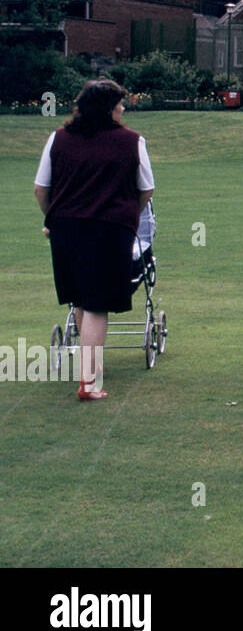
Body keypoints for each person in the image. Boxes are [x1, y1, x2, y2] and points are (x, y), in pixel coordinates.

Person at [34, 80, 155, 401]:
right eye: (120, 103)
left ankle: (86, 372)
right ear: (108, 107)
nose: (123, 108)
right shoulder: (133, 141)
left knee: (80, 298)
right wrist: (127, 216)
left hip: (66, 231)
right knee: (97, 305)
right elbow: (146, 190)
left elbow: (40, 189)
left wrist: (53, 221)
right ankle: (88, 383)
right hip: (111, 231)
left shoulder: (57, 139)